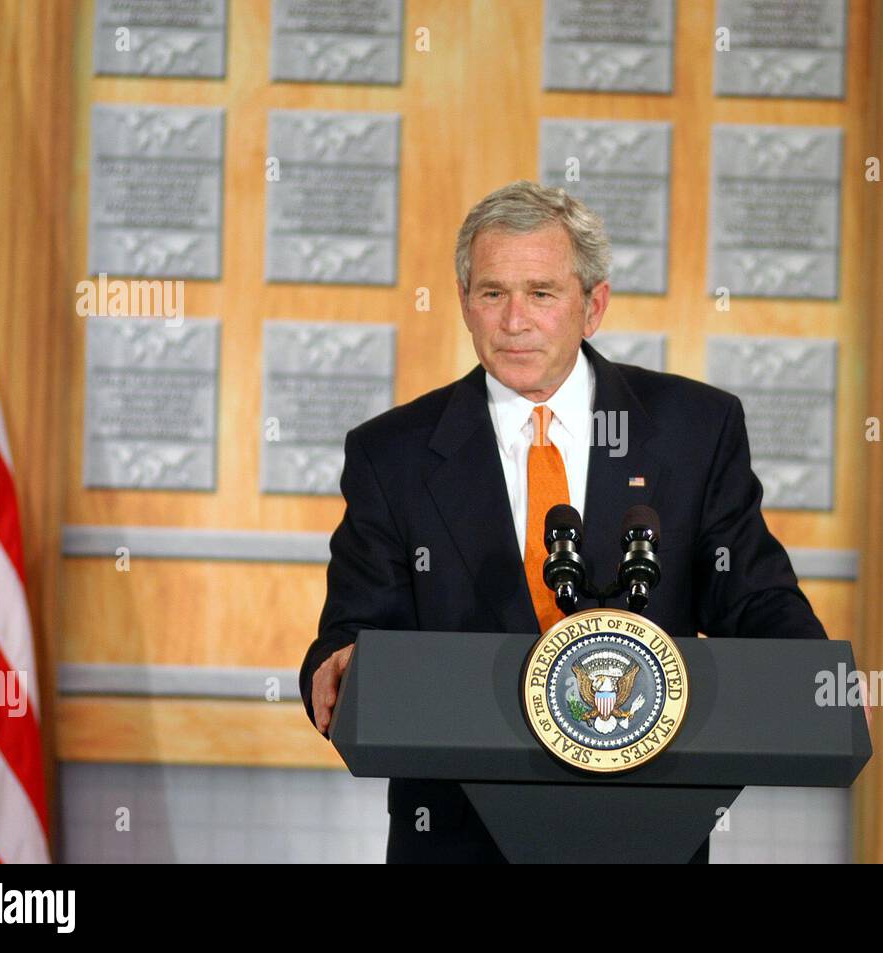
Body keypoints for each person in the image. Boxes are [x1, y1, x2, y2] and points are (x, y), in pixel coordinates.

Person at [300, 179, 829, 863]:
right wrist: (334, 666)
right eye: (492, 293)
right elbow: (350, 633)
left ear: (594, 305)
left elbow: (754, 597)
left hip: (647, 825)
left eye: (542, 293)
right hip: (460, 838)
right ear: (465, 303)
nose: (514, 320)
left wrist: (818, 678)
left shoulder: (692, 430)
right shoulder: (392, 453)